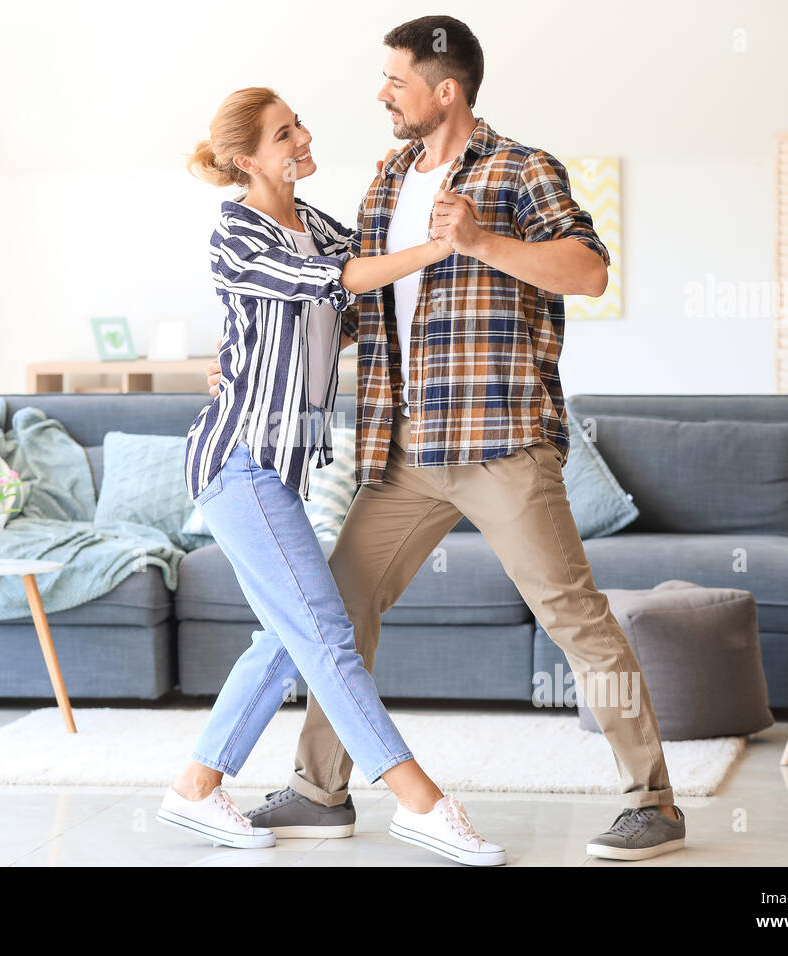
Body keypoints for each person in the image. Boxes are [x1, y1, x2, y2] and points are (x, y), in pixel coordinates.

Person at [206, 17, 687, 862]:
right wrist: (243, 362)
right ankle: (321, 790)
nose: (381, 96)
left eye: (394, 82)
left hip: (503, 445)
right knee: (338, 615)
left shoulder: (520, 168)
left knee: (574, 617)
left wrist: (481, 241)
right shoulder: (388, 179)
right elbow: (352, 306)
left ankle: (653, 802)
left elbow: (590, 271)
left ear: (444, 90)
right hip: (402, 454)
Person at [156, 86, 507, 866]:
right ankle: (422, 803)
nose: (303, 138)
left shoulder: (310, 222)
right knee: (327, 636)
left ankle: (194, 786)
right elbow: (338, 281)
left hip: (276, 468)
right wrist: (435, 250)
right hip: (237, 461)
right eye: (285, 134)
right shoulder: (237, 231)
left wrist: (447, 221)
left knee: (289, 634)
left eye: (299, 123)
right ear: (247, 159)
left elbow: (358, 297)